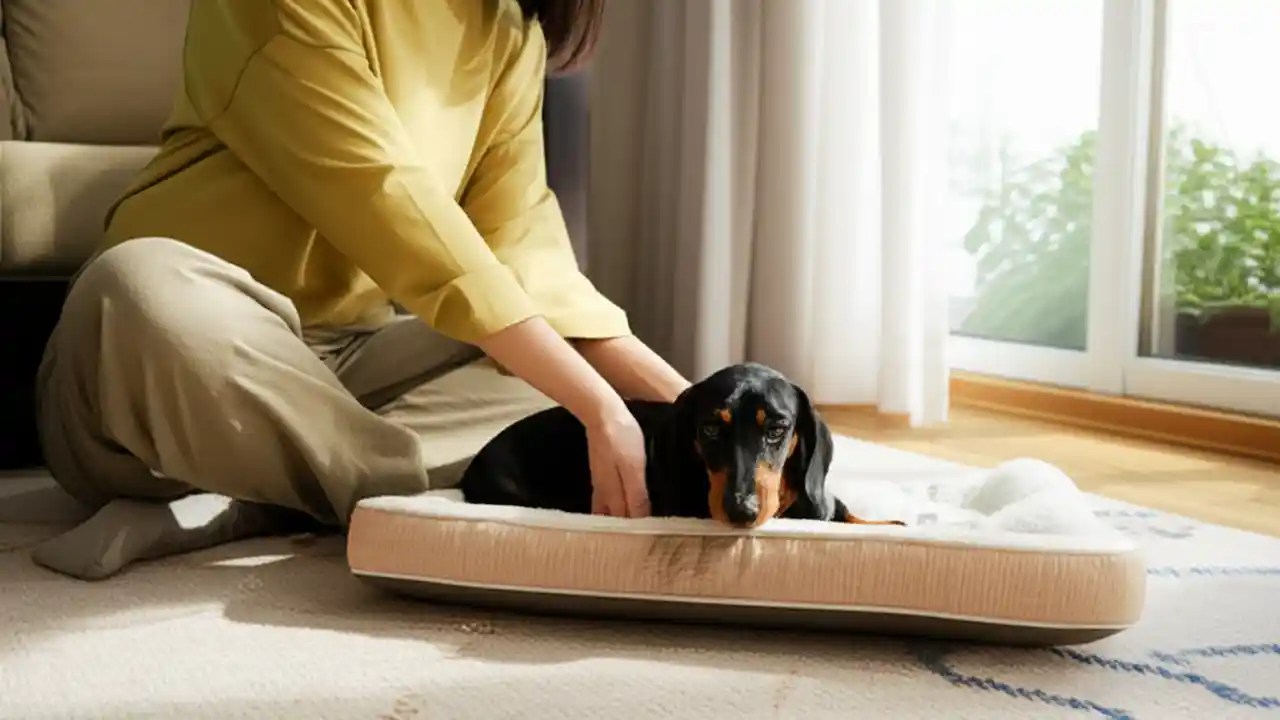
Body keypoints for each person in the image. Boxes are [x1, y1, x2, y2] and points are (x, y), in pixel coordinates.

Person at [32, 0, 688, 580]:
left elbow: (530, 265)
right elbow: (384, 198)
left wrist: (690, 410)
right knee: (138, 292)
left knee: (535, 371)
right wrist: (599, 409)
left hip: (349, 364)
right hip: (178, 362)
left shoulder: (507, 29)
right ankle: (389, 499)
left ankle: (256, 501)